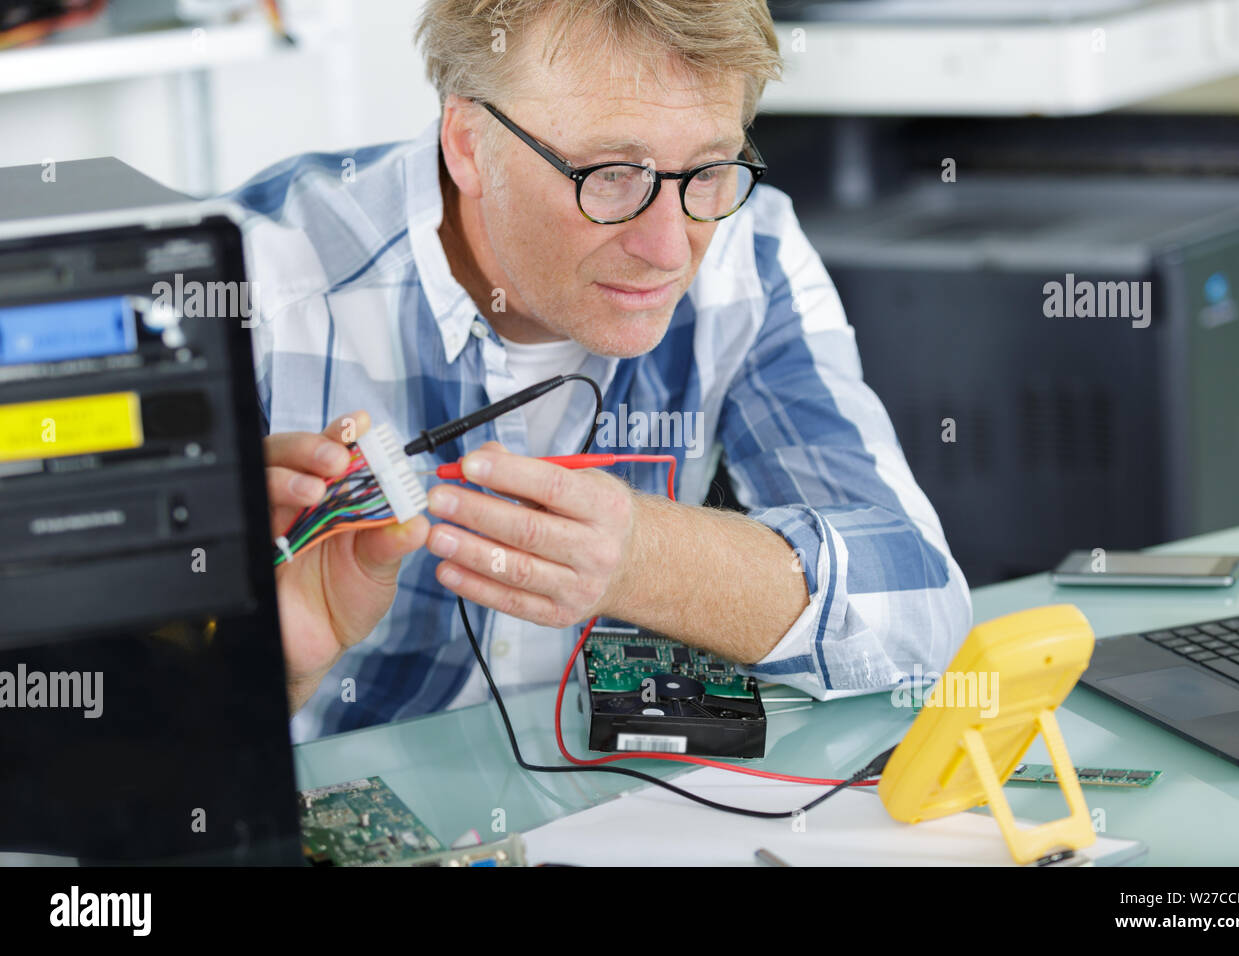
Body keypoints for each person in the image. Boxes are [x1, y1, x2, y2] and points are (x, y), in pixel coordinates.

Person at [229, 0, 972, 742]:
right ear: (467, 141)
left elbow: (919, 612)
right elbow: (130, 748)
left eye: (710, 169)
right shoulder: (243, 287)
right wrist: (280, 669)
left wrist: (641, 558)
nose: (669, 251)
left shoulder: (754, 255)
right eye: (614, 176)